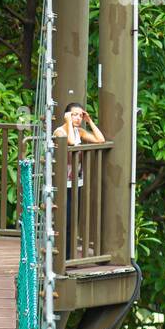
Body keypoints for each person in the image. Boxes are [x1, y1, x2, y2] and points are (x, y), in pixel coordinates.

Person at [52, 103, 105, 257]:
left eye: (80, 115)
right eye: (74, 114)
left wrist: (89, 121)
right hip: (61, 183)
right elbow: (70, 142)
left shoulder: (79, 131)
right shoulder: (59, 131)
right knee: (64, 220)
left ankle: (67, 257)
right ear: (67, 115)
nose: (78, 118)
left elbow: (100, 139)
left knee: (72, 222)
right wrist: (68, 121)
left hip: (75, 183)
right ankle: (60, 257)